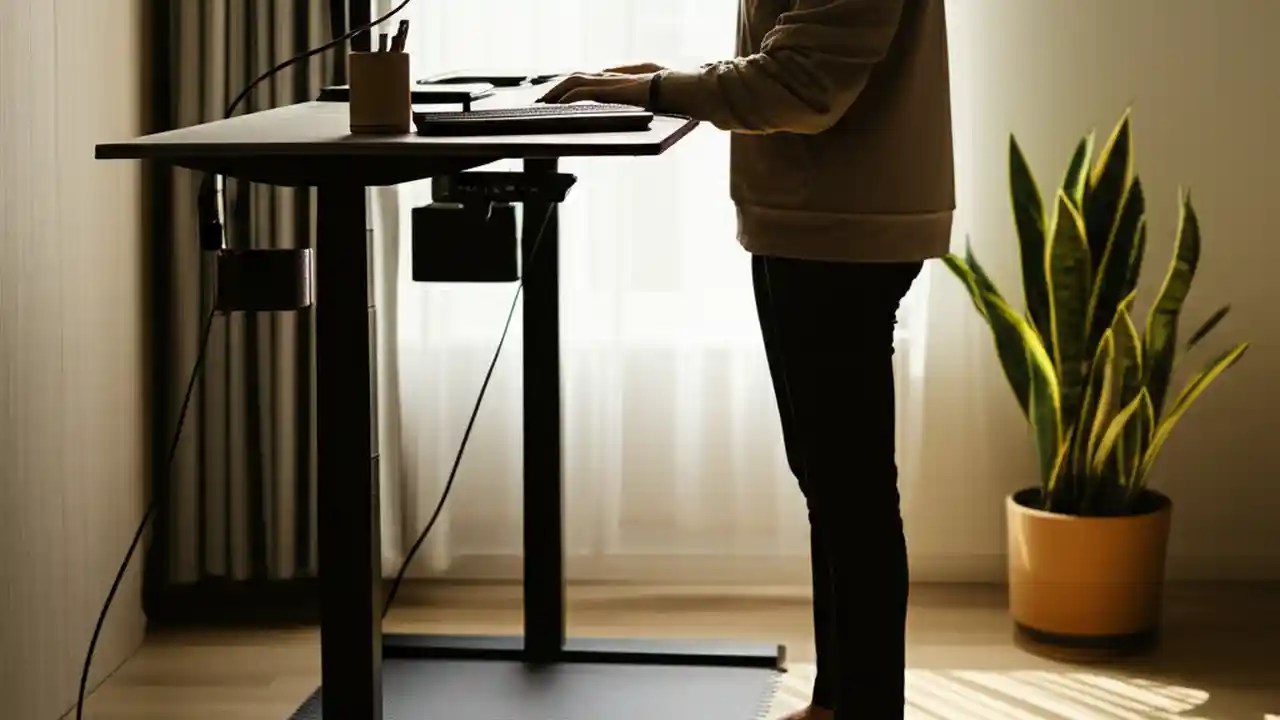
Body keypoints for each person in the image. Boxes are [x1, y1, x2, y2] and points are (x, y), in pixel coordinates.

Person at [541, 1, 954, 718]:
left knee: (849, 495)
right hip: (817, 223)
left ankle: (862, 708)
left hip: (837, 231)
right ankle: (843, 701)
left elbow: (800, 86)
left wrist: (659, 90)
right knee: (836, 489)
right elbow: (795, 56)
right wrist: (675, 80)